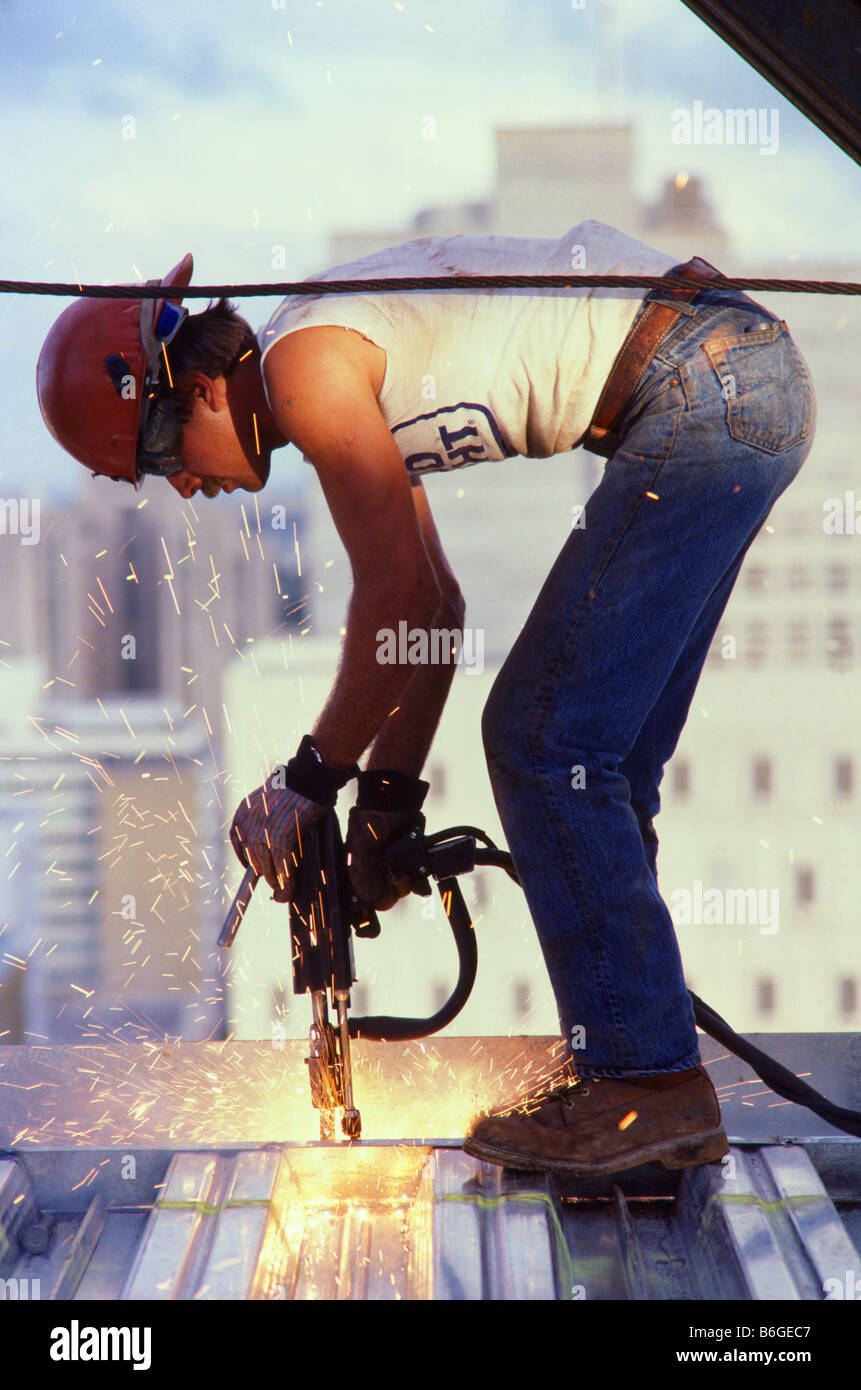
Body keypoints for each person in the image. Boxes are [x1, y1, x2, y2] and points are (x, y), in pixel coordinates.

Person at [36, 221, 816, 1175]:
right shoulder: (325, 374)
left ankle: (644, 1087)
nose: (183, 487)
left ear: (190, 388)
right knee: (592, 763)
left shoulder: (306, 373)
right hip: (731, 380)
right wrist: (385, 805)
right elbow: (432, 612)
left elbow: (396, 598)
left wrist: (309, 782)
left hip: (704, 390)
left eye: (160, 458)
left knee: (541, 739)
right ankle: (637, 1069)